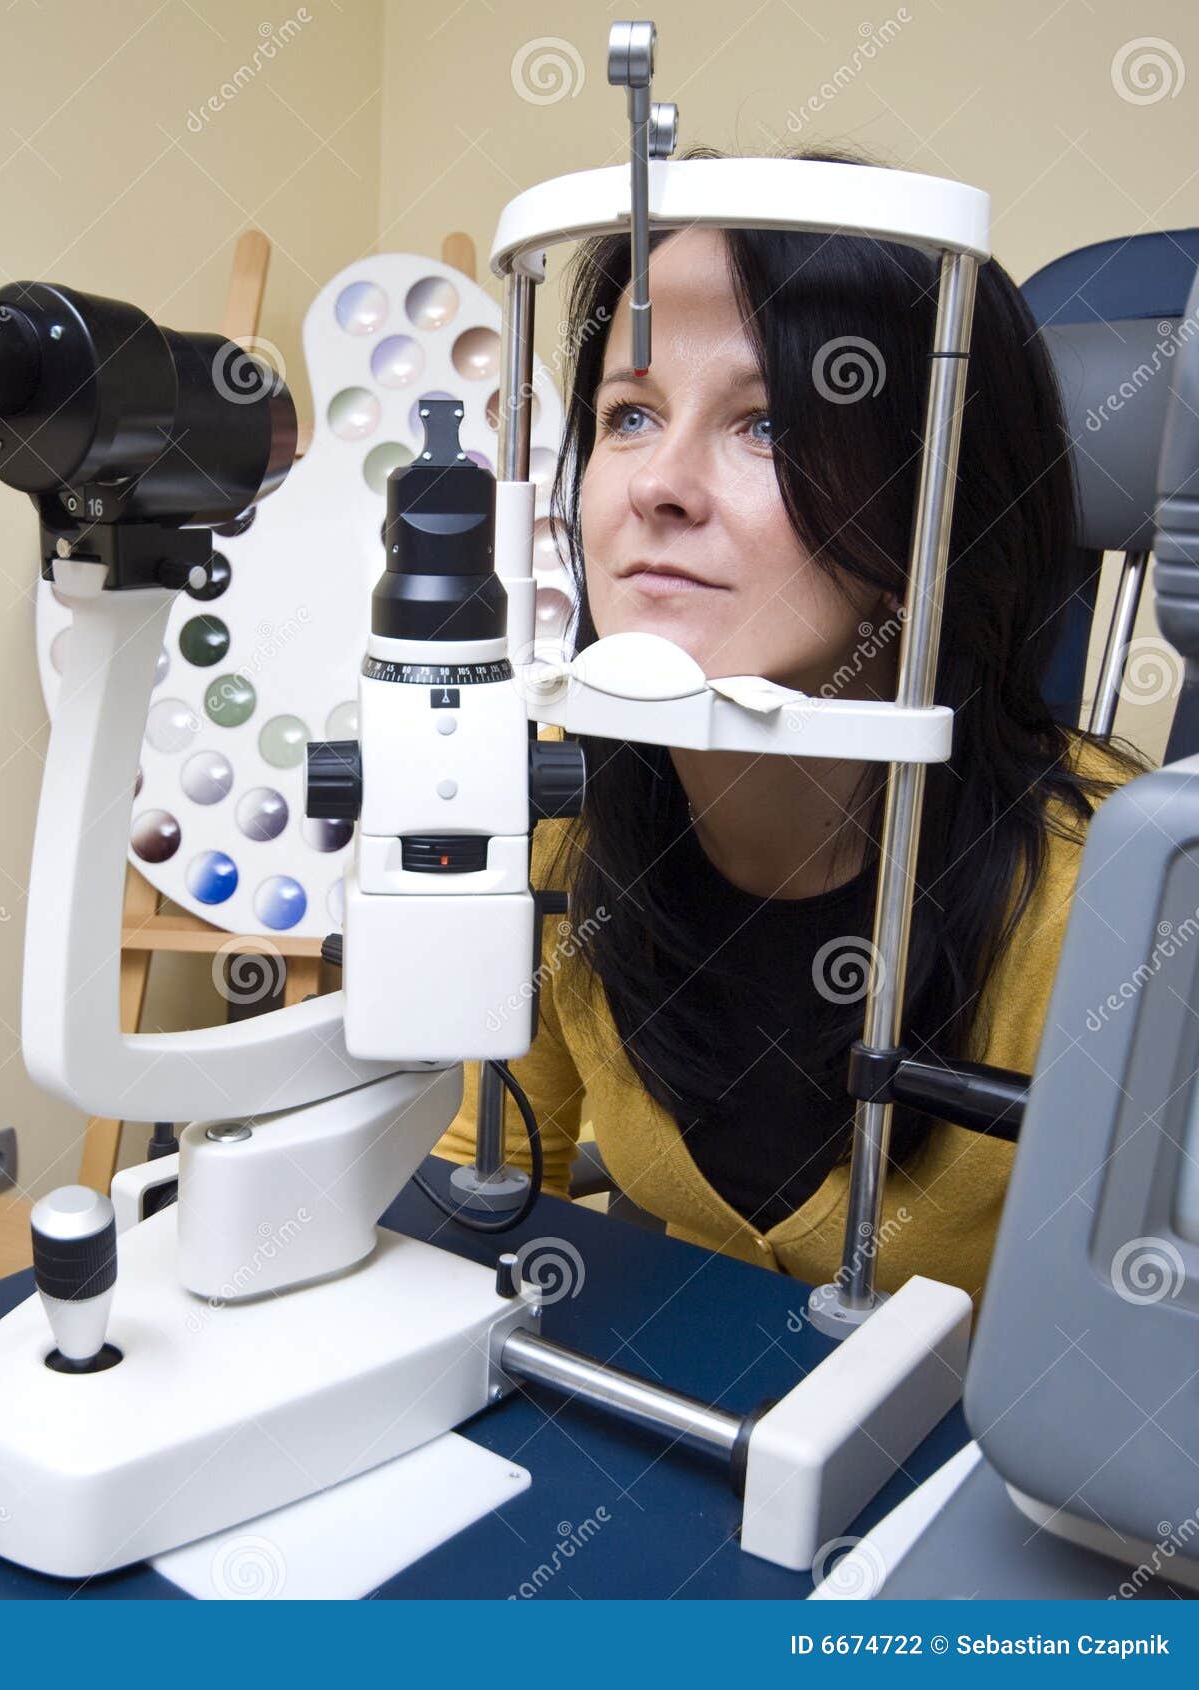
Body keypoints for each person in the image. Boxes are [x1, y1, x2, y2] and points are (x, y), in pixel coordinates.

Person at [432, 146, 1150, 1305]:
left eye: (764, 427)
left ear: (926, 530)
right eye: (629, 414)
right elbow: (490, 1184)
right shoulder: (566, 832)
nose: (657, 485)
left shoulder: (1115, 904)